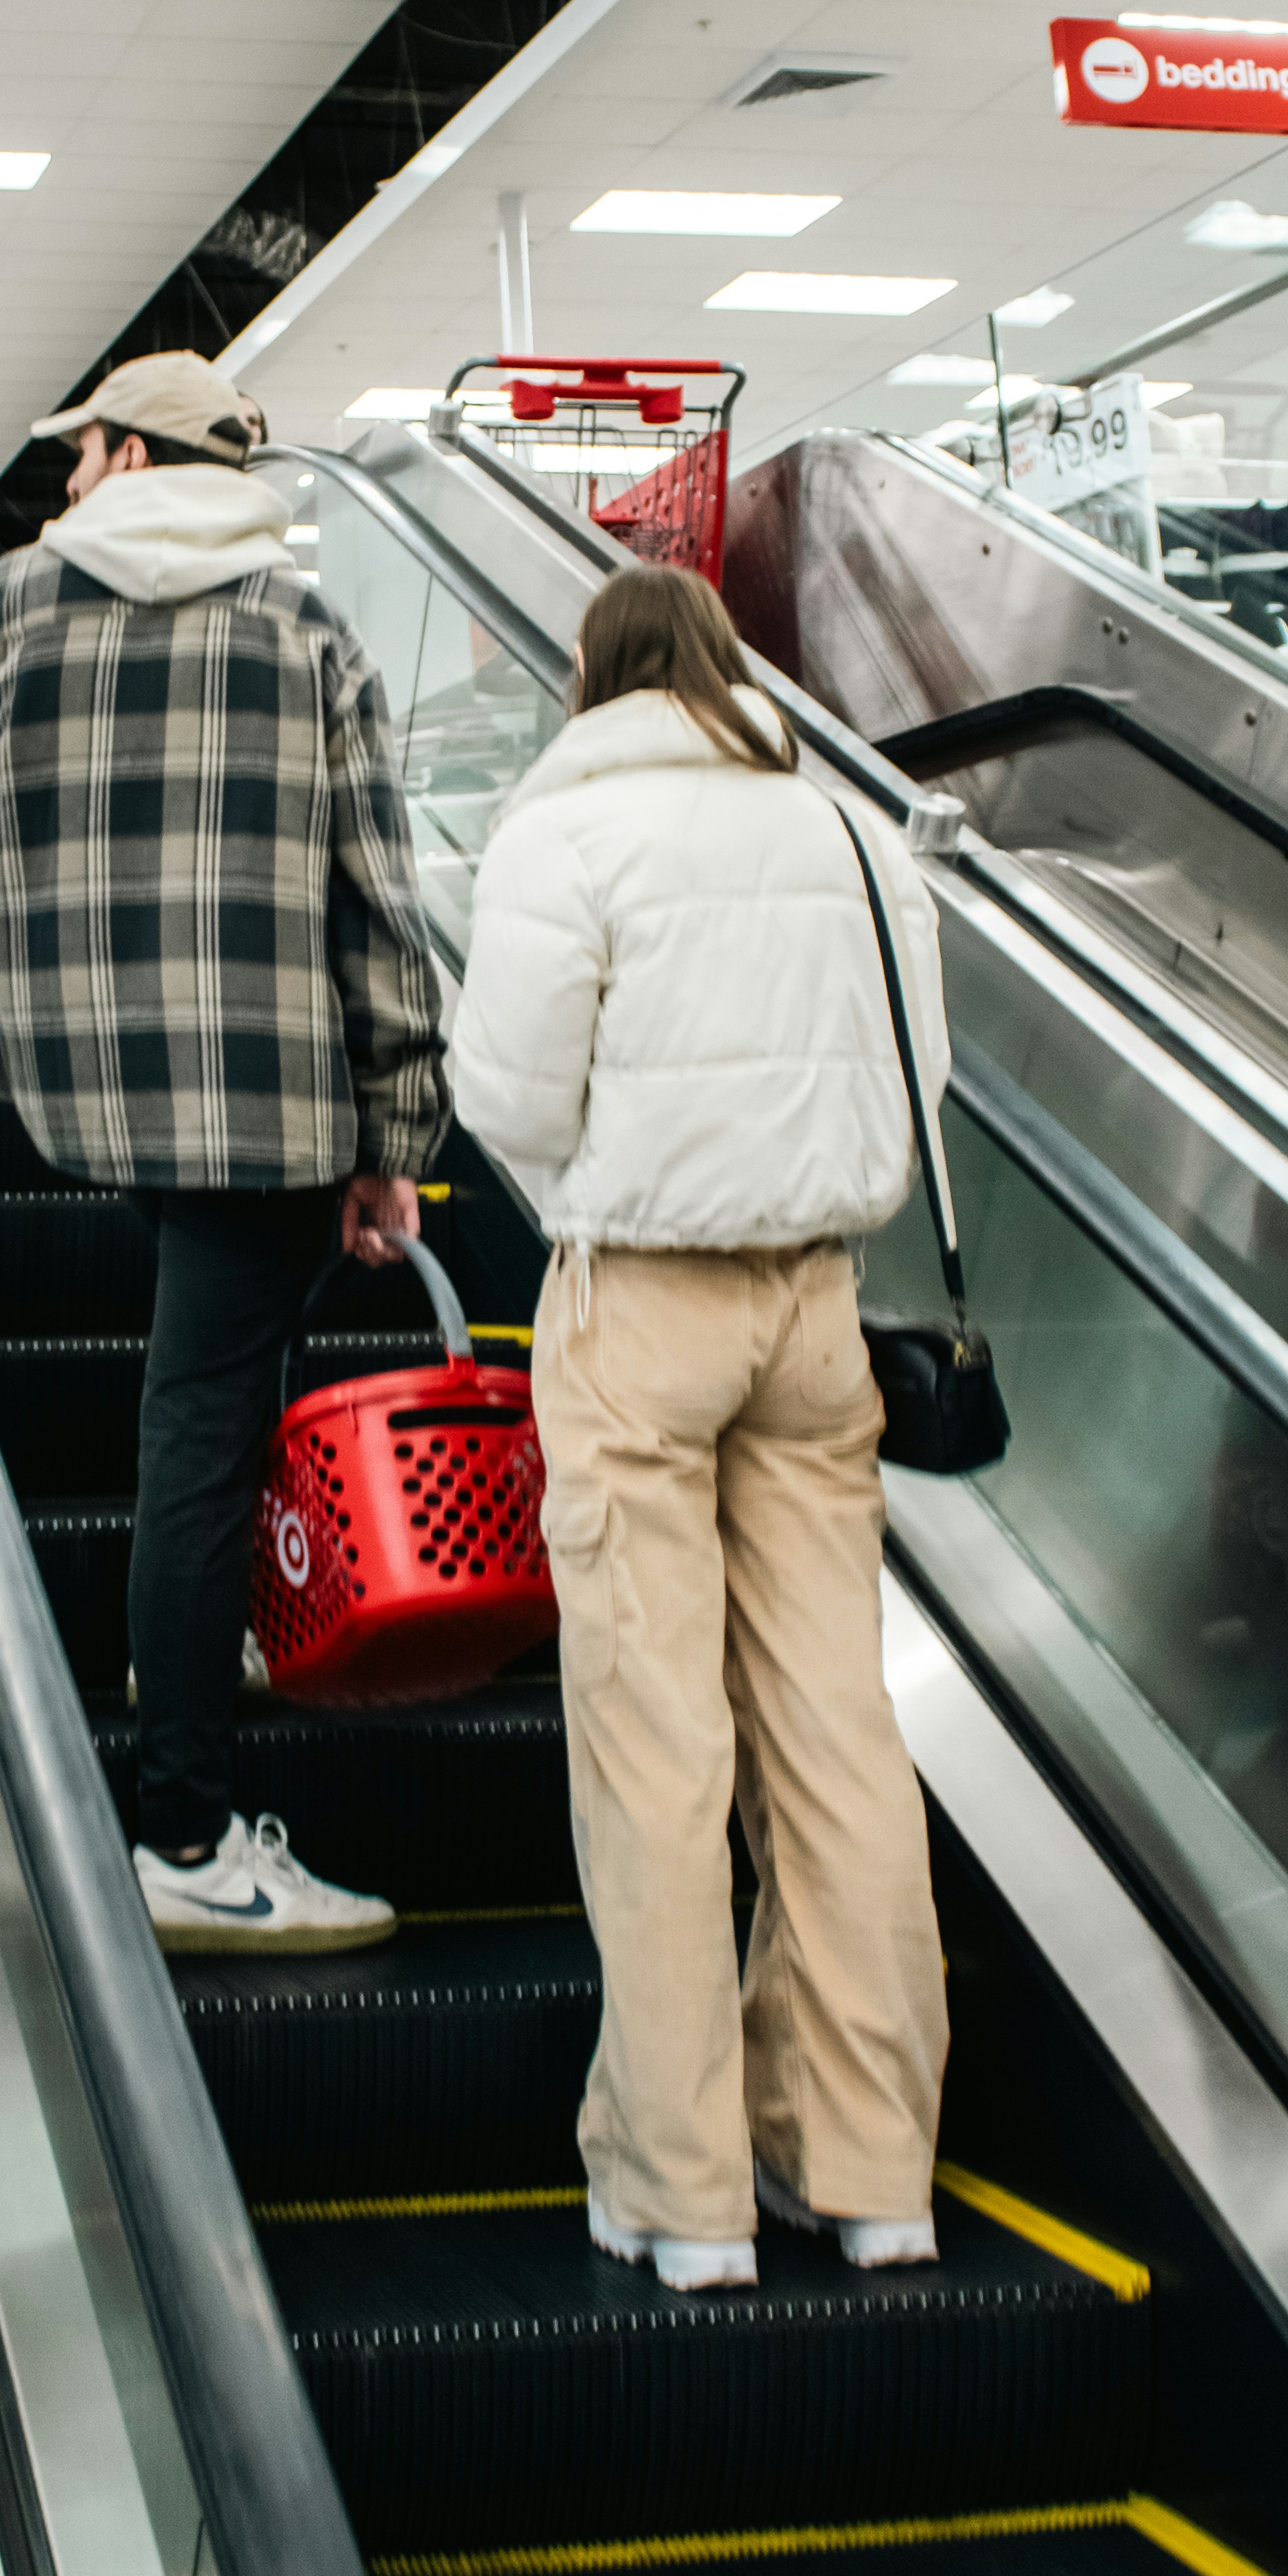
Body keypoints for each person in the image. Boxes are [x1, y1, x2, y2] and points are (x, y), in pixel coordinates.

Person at [0, 351, 450, 1952]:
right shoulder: (307, 631)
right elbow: (379, 912)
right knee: (199, 1438)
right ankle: (187, 1820)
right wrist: (394, 1133)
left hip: (94, 1102)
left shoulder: (7, 609)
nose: (66, 486)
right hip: (275, 1115)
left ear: (131, 453)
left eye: (82, 458)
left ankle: (184, 1709)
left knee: (197, 1436)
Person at [452, 562, 952, 2291]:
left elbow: (505, 1093)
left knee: (655, 1741)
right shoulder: (851, 838)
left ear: (593, 682)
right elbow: (920, 1076)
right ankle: (870, 2166)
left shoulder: (561, 833)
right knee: (834, 1725)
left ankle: (681, 2192)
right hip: (816, 1309)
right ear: (726, 675)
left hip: (639, 1307)